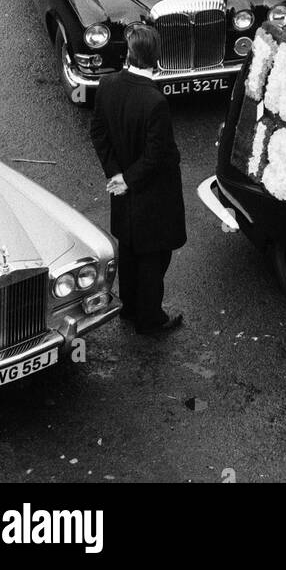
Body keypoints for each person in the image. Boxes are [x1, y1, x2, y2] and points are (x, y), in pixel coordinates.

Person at [90, 23, 186, 336]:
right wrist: (129, 179)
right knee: (153, 257)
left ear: (129, 54)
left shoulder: (107, 85)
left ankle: (129, 308)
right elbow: (156, 155)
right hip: (151, 195)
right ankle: (150, 319)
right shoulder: (155, 102)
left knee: (129, 249)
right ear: (156, 58)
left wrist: (116, 174)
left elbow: (99, 133)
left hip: (123, 189)